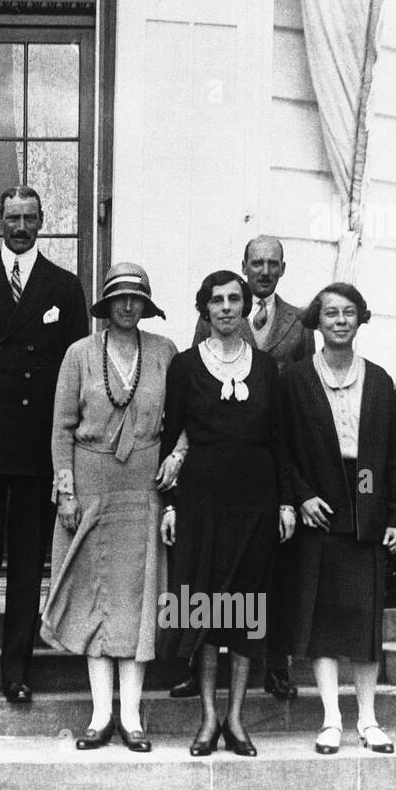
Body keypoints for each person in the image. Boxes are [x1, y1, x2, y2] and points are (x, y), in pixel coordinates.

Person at [0, 187, 87, 708]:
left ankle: (17, 673)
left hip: (36, 449)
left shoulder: (65, 288)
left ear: (42, 222)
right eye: (12, 218)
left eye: (29, 218)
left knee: (28, 563)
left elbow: (75, 371)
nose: (21, 226)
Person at [43, 264, 179, 752]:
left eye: (136, 299)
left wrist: (177, 458)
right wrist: (67, 491)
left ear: (146, 305)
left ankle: (131, 715)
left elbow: (184, 420)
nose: (127, 306)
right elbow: (60, 427)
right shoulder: (79, 354)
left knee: (136, 600)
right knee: (92, 600)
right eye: (119, 298)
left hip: (143, 487)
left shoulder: (164, 352)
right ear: (106, 305)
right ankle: (100, 715)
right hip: (90, 487)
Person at [160, 270, 295, 757]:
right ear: (204, 308)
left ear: (245, 306)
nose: (226, 308)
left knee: (246, 612)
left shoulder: (266, 368)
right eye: (216, 300)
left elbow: (279, 440)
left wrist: (284, 502)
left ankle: (236, 719)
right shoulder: (184, 367)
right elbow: (171, 440)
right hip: (201, 504)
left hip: (255, 505)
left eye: (234, 299)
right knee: (205, 610)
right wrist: (170, 505)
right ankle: (208, 718)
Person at [176, 234, 314, 702]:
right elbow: (186, 410)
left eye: (272, 264)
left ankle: (273, 667)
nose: (264, 271)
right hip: (208, 478)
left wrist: (287, 495)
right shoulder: (199, 343)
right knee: (204, 583)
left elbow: (293, 405)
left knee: (259, 584)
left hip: (263, 467)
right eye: (256, 263)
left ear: (281, 269)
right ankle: (195, 663)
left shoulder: (297, 323)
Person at [281, 283, 396, 756]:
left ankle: (369, 719)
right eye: (330, 313)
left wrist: (393, 515)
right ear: (318, 320)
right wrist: (303, 496)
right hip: (320, 508)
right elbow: (283, 448)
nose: (339, 321)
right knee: (324, 617)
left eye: (348, 312)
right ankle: (332, 719)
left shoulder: (378, 379)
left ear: (360, 319)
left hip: (365, 502)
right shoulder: (295, 378)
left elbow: (391, 454)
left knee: (364, 619)